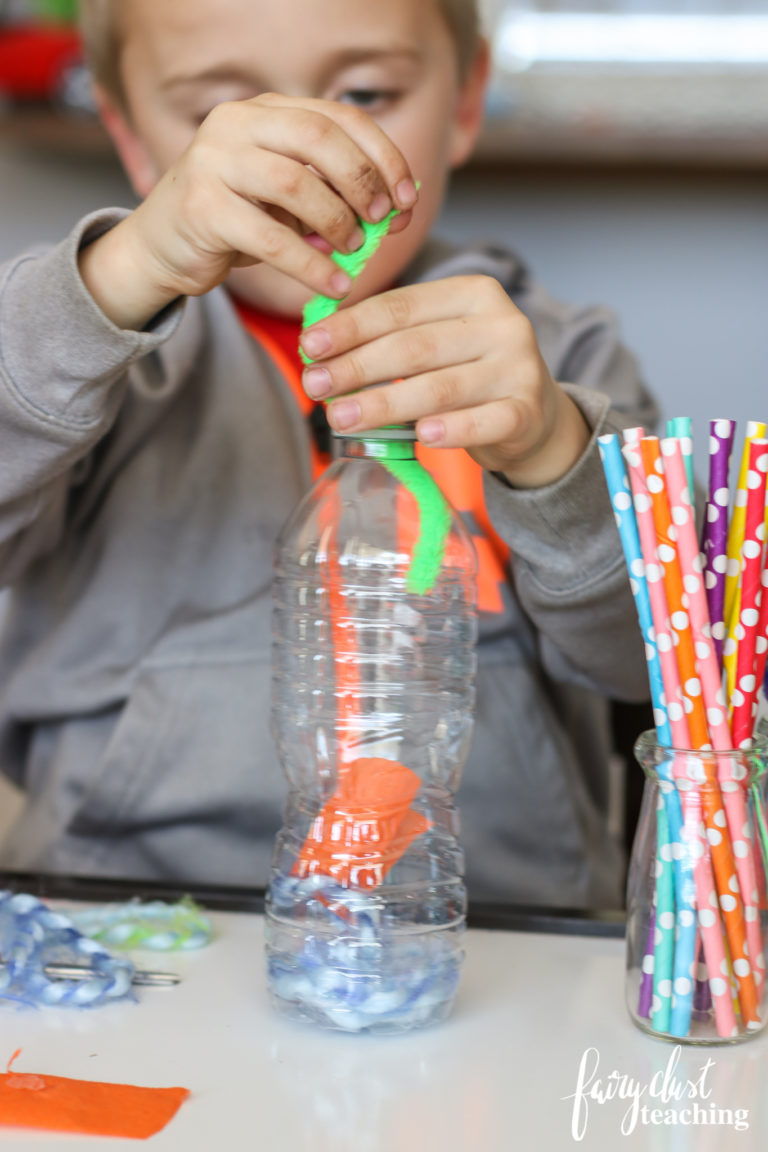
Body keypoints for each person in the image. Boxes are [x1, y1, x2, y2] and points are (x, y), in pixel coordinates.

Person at [0, 0, 656, 907]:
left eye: (365, 91)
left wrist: (550, 450)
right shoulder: (74, 347)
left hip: (502, 927)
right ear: (134, 138)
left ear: (465, 100)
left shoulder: (561, 366)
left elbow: (656, 663)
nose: (308, 157)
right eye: (216, 115)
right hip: (123, 918)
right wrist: (122, 271)